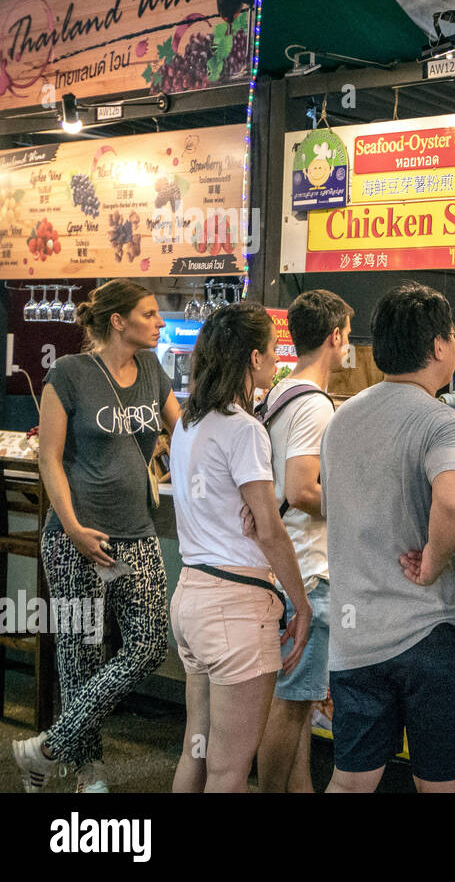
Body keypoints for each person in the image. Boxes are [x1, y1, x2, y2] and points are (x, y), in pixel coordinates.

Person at [13, 280, 178, 793]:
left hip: (136, 532)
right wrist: (72, 526)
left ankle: (46, 747)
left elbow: (187, 429)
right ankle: (89, 770)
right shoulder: (69, 374)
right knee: (80, 651)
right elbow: (50, 457)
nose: (160, 322)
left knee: (149, 644)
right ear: (117, 321)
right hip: (76, 537)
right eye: (149, 314)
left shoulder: (153, 370)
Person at [320, 283, 455, 793]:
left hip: (355, 635)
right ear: (439, 347)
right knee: (438, 786)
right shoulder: (444, 423)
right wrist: (434, 559)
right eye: (454, 336)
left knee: (350, 782)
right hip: (430, 631)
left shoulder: (340, 417)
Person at [169, 303, 312, 793]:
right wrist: (303, 603)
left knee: (198, 748)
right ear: (254, 358)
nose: (276, 361)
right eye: (273, 352)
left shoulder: (188, 423)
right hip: (235, 608)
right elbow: (269, 530)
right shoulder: (243, 428)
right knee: (230, 771)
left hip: (191, 597)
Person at [255, 290, 352, 793]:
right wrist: (355, 507)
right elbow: (300, 488)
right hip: (307, 572)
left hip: (281, 566)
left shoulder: (278, 392)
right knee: (291, 706)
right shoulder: (314, 404)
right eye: (348, 336)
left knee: (297, 701)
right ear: (336, 337)